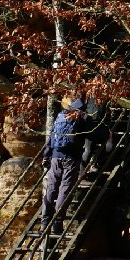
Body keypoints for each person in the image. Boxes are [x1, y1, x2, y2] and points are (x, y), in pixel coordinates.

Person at [41, 99, 90, 234]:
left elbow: (51, 137)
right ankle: (57, 223)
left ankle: (44, 223)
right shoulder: (80, 120)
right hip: (71, 159)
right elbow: (93, 133)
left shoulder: (60, 117)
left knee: (51, 188)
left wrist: (46, 155)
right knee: (65, 190)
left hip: (56, 157)